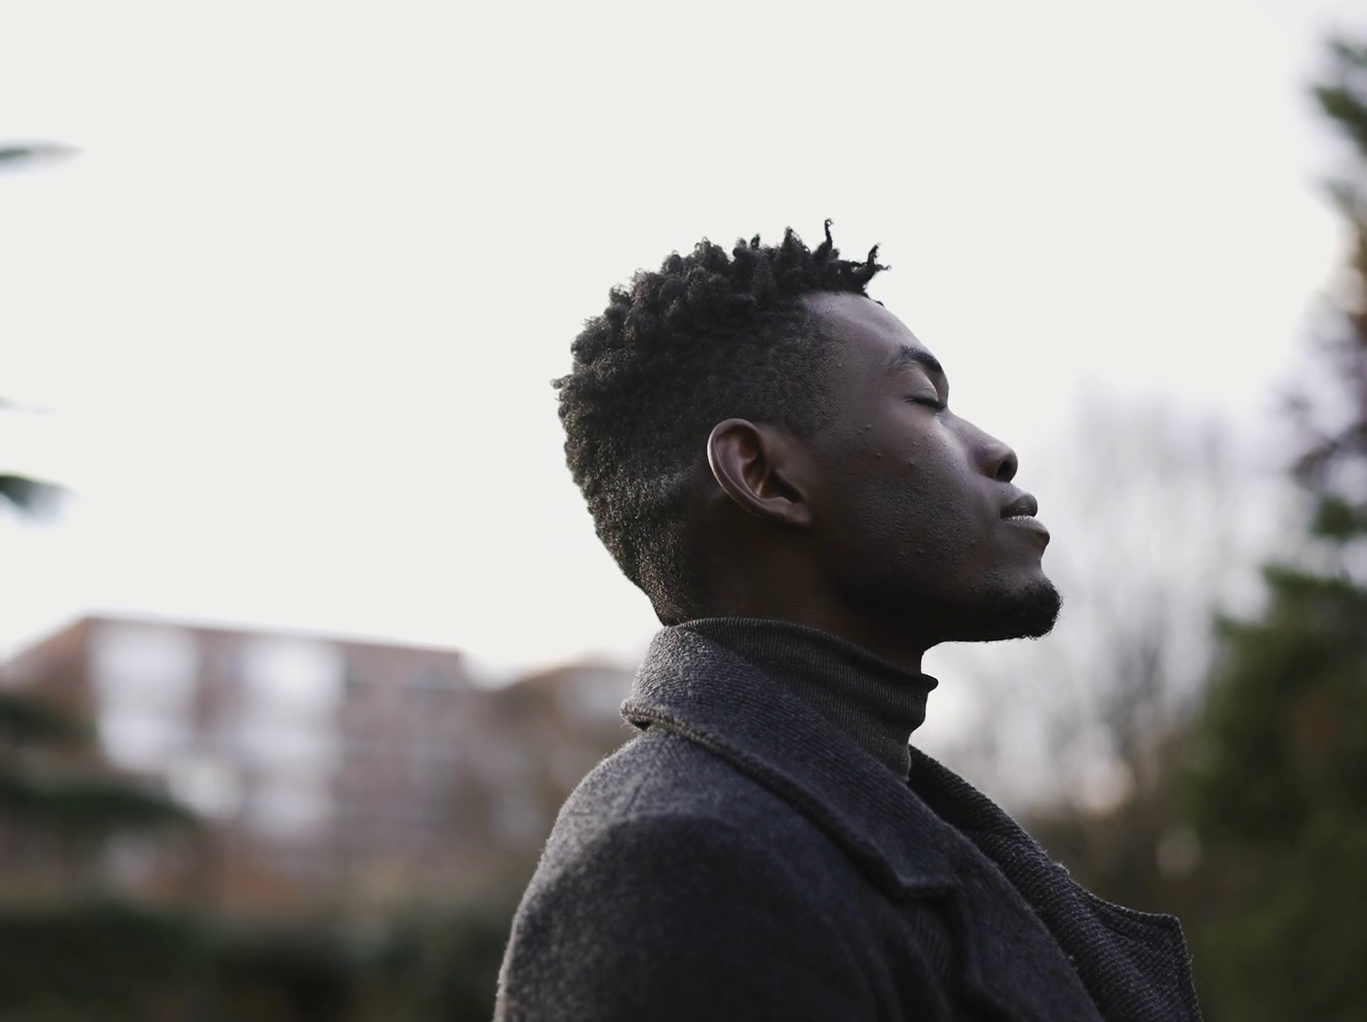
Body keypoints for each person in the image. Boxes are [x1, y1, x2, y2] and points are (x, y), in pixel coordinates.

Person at [493, 226, 1202, 1022]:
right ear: (765, 475)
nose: (996, 451)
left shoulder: (874, 819)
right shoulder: (682, 866)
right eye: (925, 402)